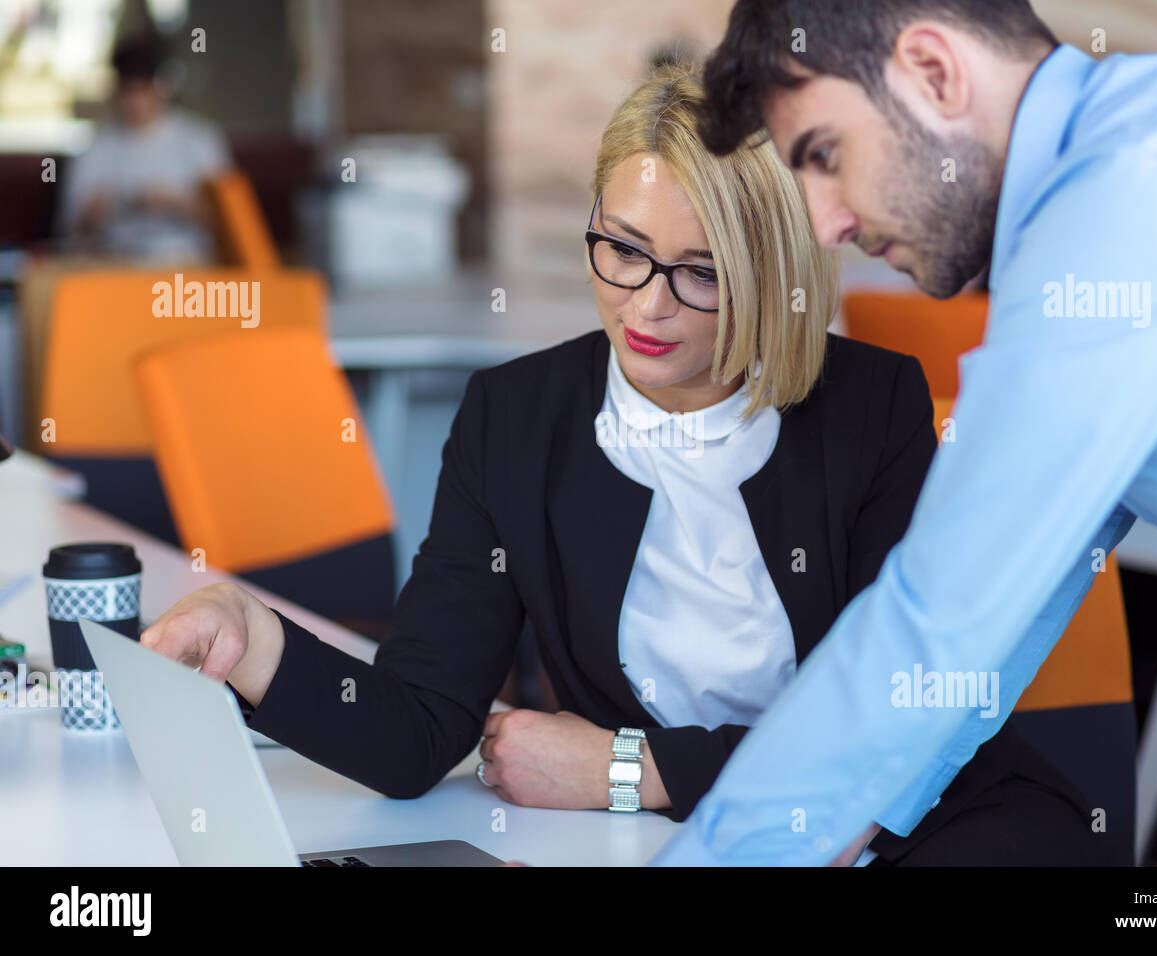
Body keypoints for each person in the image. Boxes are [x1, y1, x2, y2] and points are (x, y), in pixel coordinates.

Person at [138, 63, 1098, 865]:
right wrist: (252, 641)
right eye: (622, 250)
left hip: (930, 838)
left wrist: (625, 769)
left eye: (702, 270)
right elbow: (420, 726)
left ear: (771, 271)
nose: (647, 307)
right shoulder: (514, 420)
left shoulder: (872, 409)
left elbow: (882, 739)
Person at [649, 0, 1157, 866]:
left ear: (934, 73)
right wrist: (848, 819)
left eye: (826, 156)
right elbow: (1005, 607)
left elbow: (939, 611)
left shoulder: (1133, 194)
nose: (824, 225)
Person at [60, 33, 231, 262]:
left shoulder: (199, 139)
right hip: (116, 266)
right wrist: (100, 211)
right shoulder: (97, 145)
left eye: (144, 89)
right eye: (128, 91)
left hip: (187, 268)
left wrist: (175, 204)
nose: (136, 101)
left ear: (163, 86)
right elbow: (71, 227)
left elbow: (228, 221)